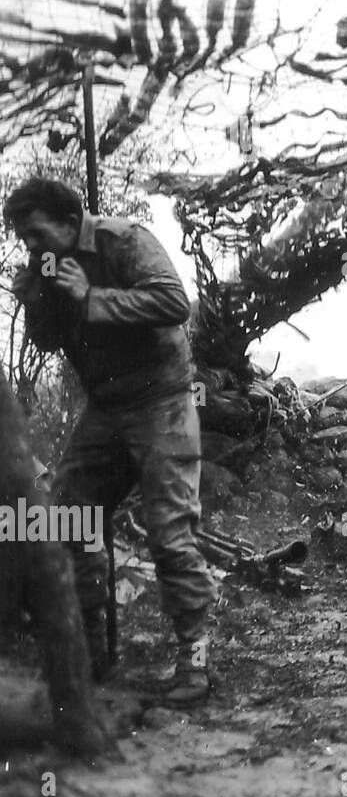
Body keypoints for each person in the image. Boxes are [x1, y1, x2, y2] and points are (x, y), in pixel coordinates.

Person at [4, 178, 214, 706]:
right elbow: (49, 339)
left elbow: (173, 301)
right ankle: (89, 653)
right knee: (65, 519)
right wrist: (35, 302)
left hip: (162, 400)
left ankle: (196, 659)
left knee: (169, 531)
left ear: (68, 222)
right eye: (22, 239)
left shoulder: (124, 241)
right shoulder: (47, 266)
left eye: (34, 234)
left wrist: (92, 297)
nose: (29, 247)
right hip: (106, 409)